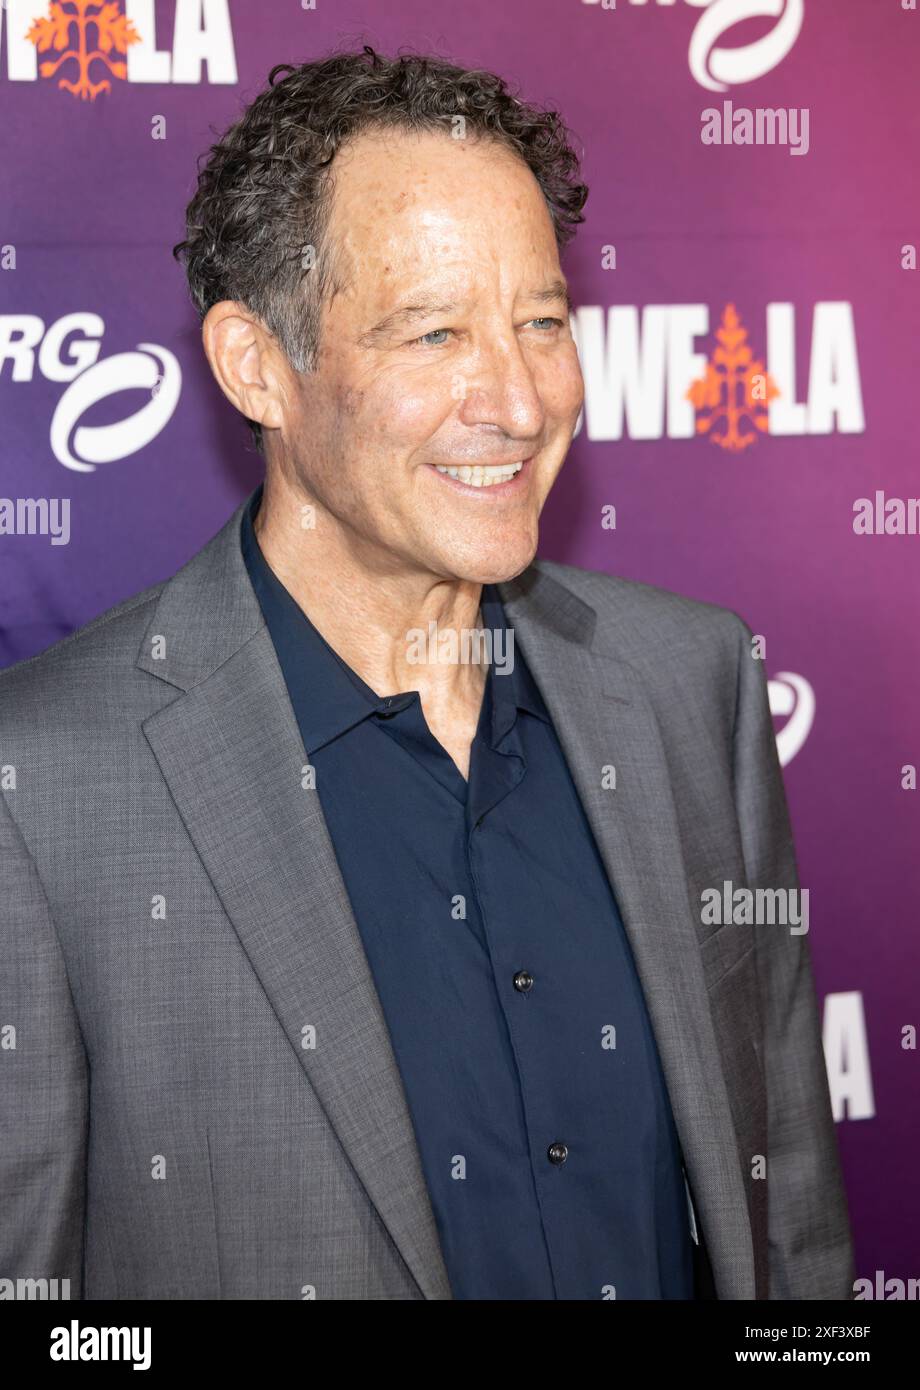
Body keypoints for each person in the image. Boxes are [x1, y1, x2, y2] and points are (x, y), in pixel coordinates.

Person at [0, 47, 853, 1300]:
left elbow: (787, 1238)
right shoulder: (46, 785)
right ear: (256, 367)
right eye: (434, 330)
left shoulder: (689, 685)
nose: (514, 399)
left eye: (542, 322)